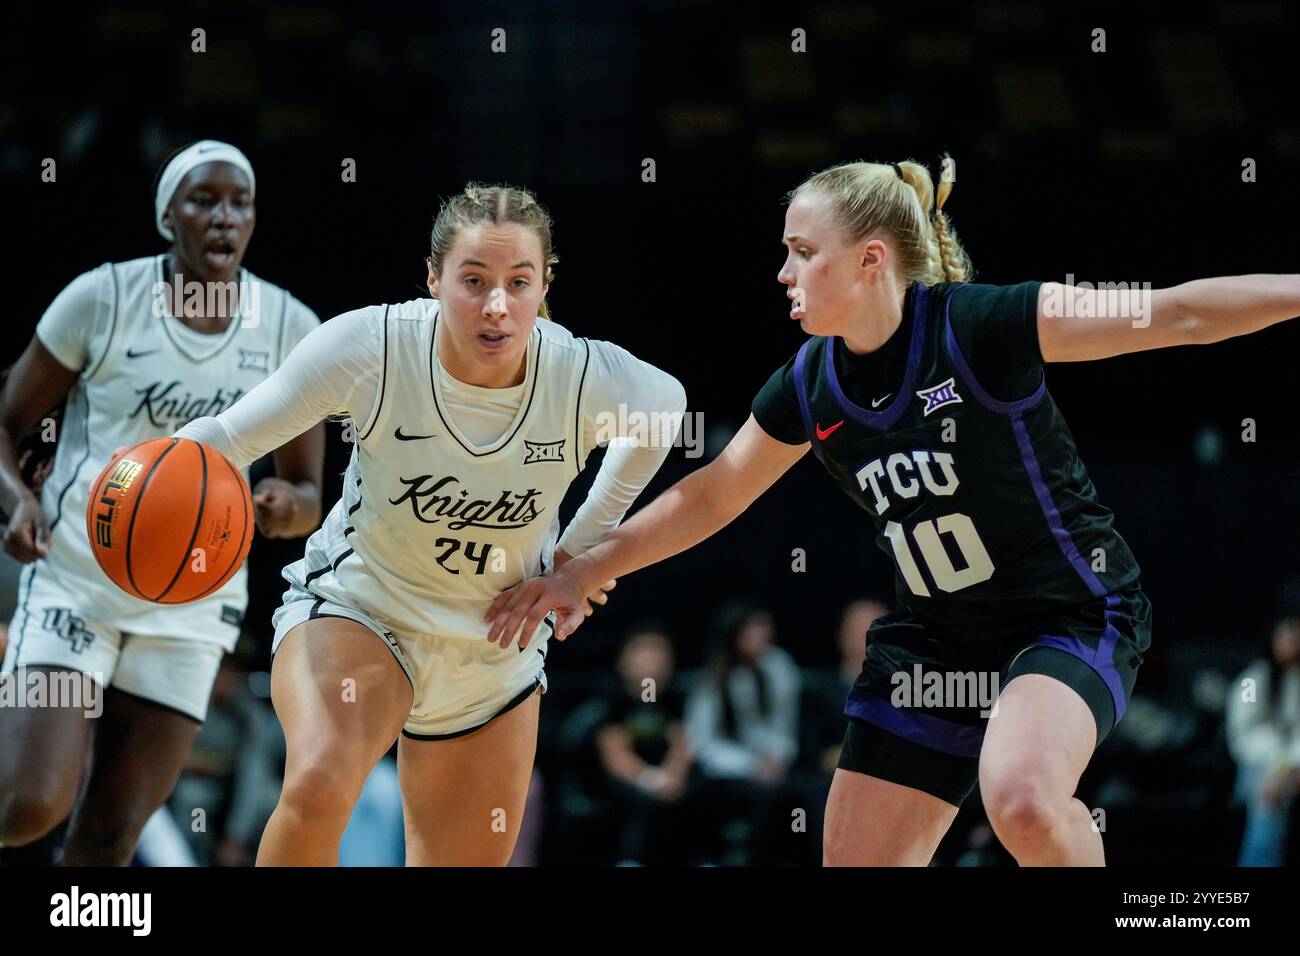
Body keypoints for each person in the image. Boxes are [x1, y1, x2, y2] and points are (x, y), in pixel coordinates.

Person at [486, 155, 1300, 866]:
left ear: (870, 259)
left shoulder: (980, 327)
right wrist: (589, 568)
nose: (783, 273)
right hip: (938, 641)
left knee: (1020, 799)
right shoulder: (811, 382)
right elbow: (714, 492)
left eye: (802, 254)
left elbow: (1175, 313)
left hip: (1069, 615)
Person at [173, 183, 687, 865]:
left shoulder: (580, 373)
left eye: (519, 282)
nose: (497, 305)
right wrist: (131, 480)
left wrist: (581, 552)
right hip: (360, 607)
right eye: (473, 281)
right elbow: (228, 438)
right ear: (434, 279)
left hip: (493, 642)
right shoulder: (371, 346)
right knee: (323, 778)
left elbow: (667, 409)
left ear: (544, 285)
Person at [0, 140, 323, 865]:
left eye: (240, 204)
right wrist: (17, 499)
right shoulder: (101, 299)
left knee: (112, 835)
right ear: (165, 215)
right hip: (78, 579)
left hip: (193, 599)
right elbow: (7, 421)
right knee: (26, 806)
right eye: (204, 201)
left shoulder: (288, 327)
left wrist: (278, 506)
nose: (224, 219)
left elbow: (308, 493)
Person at [592, 623, 692, 865]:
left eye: (660, 651)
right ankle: (629, 860)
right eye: (645, 650)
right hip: (625, 779)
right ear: (625, 658)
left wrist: (672, 775)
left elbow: (682, 744)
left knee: (696, 791)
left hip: (663, 775)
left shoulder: (672, 698)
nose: (653, 658)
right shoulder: (614, 698)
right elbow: (614, 753)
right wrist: (651, 779)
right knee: (639, 800)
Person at [1226, 613, 1300, 866]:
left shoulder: (1296, 680)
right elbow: (1242, 736)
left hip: (1294, 766)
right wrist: (1279, 766)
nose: (1292, 642)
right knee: (1269, 796)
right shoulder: (1252, 681)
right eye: (1287, 636)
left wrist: (1293, 763)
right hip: (1259, 769)